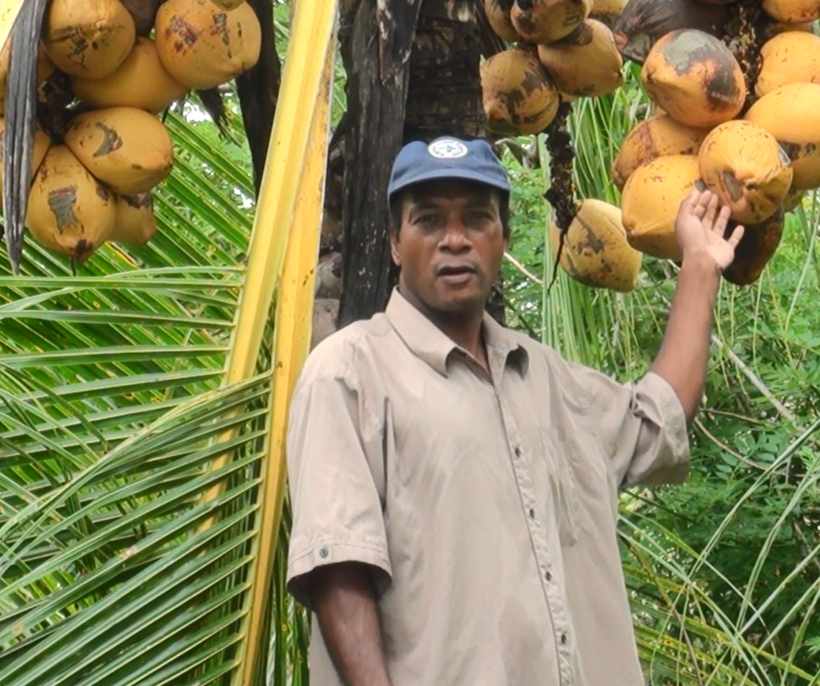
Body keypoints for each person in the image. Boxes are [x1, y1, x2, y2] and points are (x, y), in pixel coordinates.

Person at [284, 135, 744, 686]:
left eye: (476, 219)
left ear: (502, 238)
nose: (454, 240)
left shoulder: (547, 379)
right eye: (428, 220)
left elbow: (657, 419)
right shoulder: (349, 372)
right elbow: (340, 572)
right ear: (394, 243)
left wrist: (700, 264)